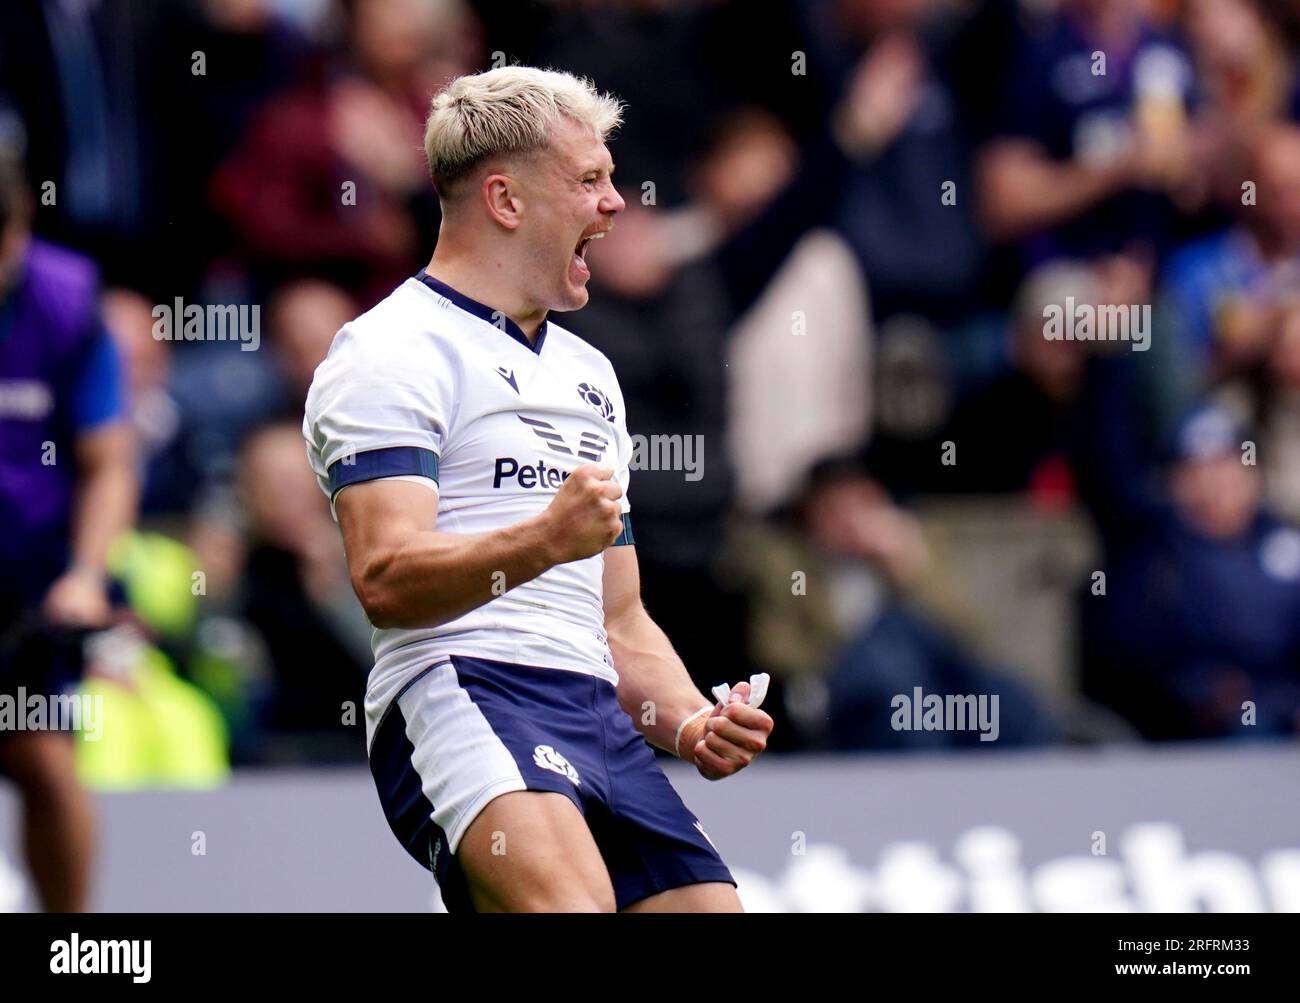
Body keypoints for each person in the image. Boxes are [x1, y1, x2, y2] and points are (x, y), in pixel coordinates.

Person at [302, 66, 773, 913]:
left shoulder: (590, 372)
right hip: (464, 684)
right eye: (590, 180)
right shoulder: (389, 350)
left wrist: (689, 720)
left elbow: (618, 617)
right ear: (506, 201)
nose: (618, 203)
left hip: (593, 709)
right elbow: (385, 577)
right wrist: (543, 541)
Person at [0, 148, 137, 910]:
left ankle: (70, 947)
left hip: (29, 594)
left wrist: (85, 575)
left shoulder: (67, 299)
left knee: (45, 765)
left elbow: (108, 462)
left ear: (21, 218)